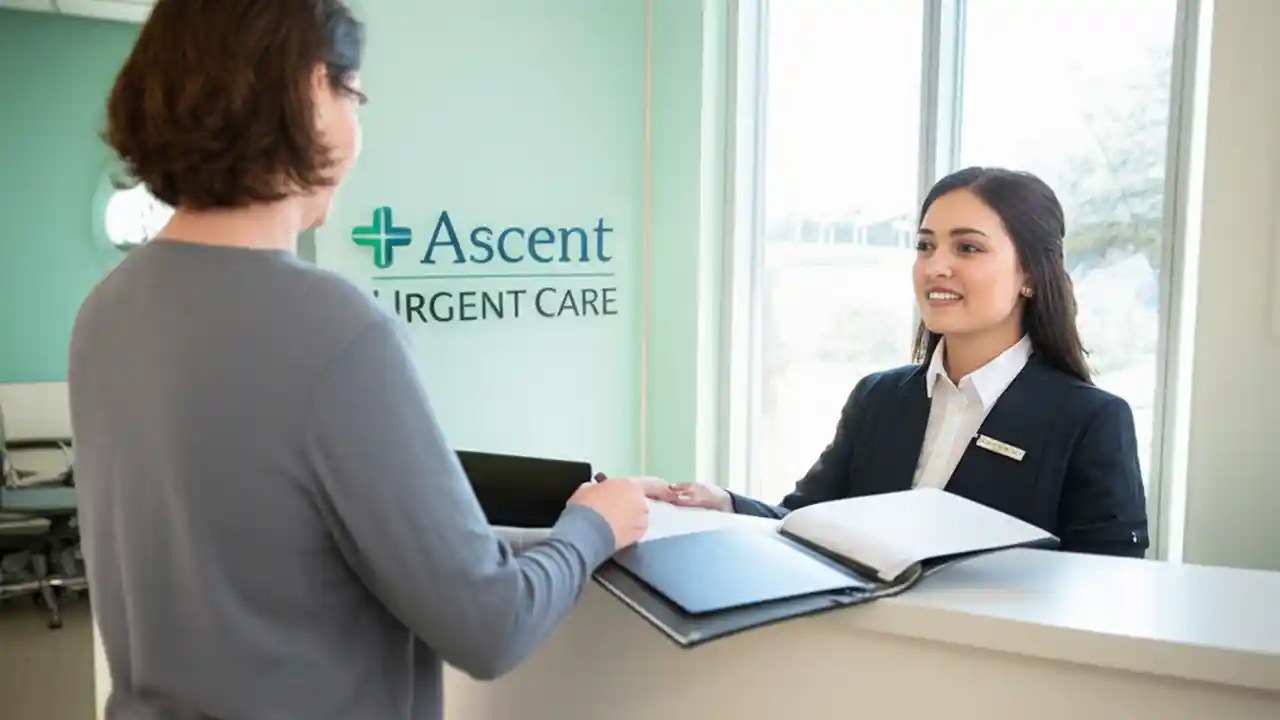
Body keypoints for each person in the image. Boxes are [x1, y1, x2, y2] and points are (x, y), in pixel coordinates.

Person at [68, 2, 648, 718]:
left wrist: (541, 532)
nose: (357, 126)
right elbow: (491, 626)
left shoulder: (106, 312)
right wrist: (594, 528)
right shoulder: (335, 331)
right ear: (311, 93)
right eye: (354, 94)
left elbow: (270, 552)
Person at [646, 167, 1149, 558]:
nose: (936, 266)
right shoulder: (880, 397)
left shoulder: (1090, 420)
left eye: (967, 247)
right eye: (926, 246)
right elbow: (802, 520)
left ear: (1030, 276)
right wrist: (723, 503)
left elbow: (1106, 581)